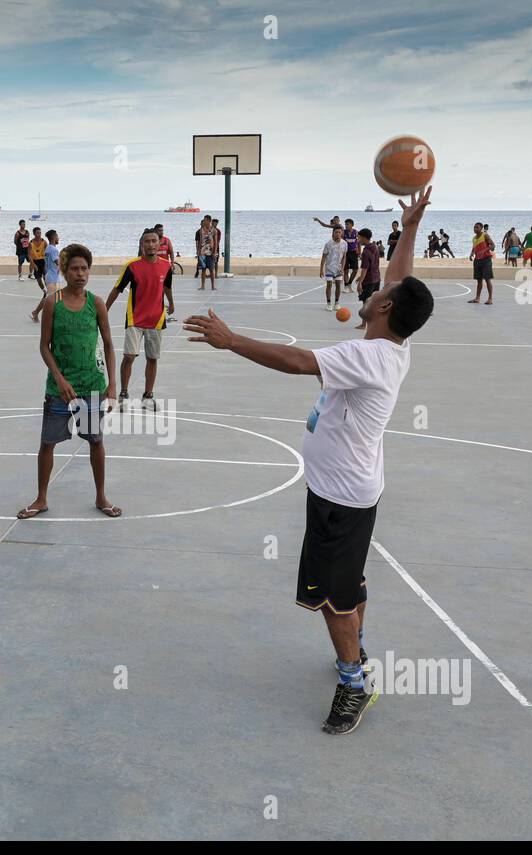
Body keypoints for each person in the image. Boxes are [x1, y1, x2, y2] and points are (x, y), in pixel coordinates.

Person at [182, 187, 435, 736]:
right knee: (349, 584)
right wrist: (409, 228)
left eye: (382, 291)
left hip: (341, 499)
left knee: (334, 600)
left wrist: (231, 341)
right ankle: (358, 650)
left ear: (386, 306)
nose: (374, 290)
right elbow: (401, 282)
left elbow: (296, 361)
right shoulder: (394, 342)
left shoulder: (365, 356)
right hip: (347, 490)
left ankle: (353, 682)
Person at [17, 243, 120, 520]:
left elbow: (109, 345)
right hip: (60, 391)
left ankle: (101, 497)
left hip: (91, 387)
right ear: (64, 271)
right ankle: (41, 499)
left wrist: (112, 386)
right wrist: (60, 380)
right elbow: (44, 346)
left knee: (95, 441)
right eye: (74, 268)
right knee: (47, 444)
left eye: (84, 268)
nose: (80, 274)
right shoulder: (53, 303)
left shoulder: (96, 303)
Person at [107, 229, 174, 409]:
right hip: (135, 319)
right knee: (129, 356)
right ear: (141, 245)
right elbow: (117, 289)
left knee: (152, 358)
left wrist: (171, 303)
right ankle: (124, 393)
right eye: (147, 242)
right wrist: (104, 309)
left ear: (160, 244)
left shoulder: (166, 266)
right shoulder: (132, 266)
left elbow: (167, 287)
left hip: (157, 319)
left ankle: (148, 395)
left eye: (154, 241)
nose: (151, 245)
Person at [31, 230, 62, 323]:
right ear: (53, 237)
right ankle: (36, 312)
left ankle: (56, 317)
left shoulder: (48, 248)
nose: (58, 238)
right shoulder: (53, 249)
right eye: (57, 236)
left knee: (58, 299)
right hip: (53, 277)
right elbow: (58, 263)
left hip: (52, 276)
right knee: (50, 298)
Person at [354, 227, 381, 330]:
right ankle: (374, 322)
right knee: (373, 301)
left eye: (359, 238)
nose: (358, 240)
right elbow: (373, 265)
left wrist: (360, 282)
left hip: (369, 280)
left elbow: (365, 268)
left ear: (364, 237)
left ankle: (363, 324)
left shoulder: (365, 251)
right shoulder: (375, 247)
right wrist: (361, 276)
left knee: (366, 302)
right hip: (377, 278)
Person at [320, 226, 348, 311]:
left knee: (338, 285)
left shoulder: (344, 244)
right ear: (333, 233)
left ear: (342, 233)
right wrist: (321, 269)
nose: (338, 234)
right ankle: (329, 303)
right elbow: (324, 257)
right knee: (329, 285)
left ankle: (336, 303)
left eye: (340, 232)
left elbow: (344, 257)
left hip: (338, 269)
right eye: (336, 232)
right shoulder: (328, 244)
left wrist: (342, 268)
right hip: (329, 268)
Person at [469, 221, 495, 304]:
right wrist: (471, 254)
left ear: (481, 228)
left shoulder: (485, 235)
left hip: (486, 260)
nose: (475, 229)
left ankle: (490, 299)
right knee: (479, 280)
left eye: (477, 227)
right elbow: (474, 248)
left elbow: (493, 245)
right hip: (477, 261)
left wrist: (484, 250)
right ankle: (477, 298)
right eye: (474, 227)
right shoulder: (474, 238)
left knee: (487, 279)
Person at [196, 216, 217, 291]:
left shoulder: (214, 230)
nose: (204, 222)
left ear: (209, 221)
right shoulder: (201, 230)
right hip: (202, 252)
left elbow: (215, 242)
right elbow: (200, 241)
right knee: (203, 269)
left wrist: (214, 252)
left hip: (210, 252)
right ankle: (202, 286)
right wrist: (198, 251)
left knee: (211, 269)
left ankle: (213, 286)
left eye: (205, 220)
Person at [29, 227, 48, 294]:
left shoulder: (44, 242)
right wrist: (33, 265)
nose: (39, 234)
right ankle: (44, 291)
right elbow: (29, 256)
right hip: (36, 262)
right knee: (39, 279)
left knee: (46, 277)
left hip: (43, 261)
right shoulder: (31, 243)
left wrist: (48, 262)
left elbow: (48, 253)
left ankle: (49, 291)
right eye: (37, 233)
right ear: (34, 233)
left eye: (40, 232)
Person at [342, 219, 360, 290]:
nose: (346, 226)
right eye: (345, 224)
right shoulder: (343, 233)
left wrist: (359, 253)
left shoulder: (356, 232)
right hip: (346, 253)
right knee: (345, 270)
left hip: (354, 253)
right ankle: (346, 285)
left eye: (347, 224)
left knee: (355, 269)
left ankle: (349, 283)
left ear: (352, 225)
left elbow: (359, 243)